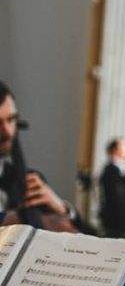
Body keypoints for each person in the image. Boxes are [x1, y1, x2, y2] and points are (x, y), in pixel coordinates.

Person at [0, 80, 78, 223]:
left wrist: (62, 210)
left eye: (11, 120)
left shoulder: (26, 181)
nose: (8, 132)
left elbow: (82, 234)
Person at [98, 137, 125, 237]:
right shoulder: (112, 170)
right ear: (115, 150)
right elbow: (114, 195)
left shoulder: (122, 167)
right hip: (115, 215)